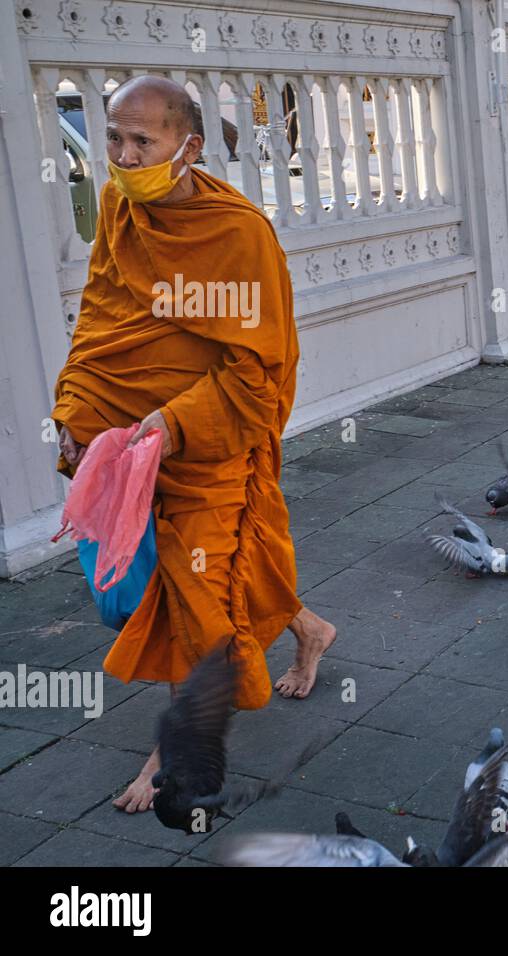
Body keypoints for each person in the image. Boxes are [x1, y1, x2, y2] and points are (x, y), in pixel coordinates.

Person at [51, 75, 336, 814]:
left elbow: (257, 368)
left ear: (190, 147)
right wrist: (76, 408)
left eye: (143, 140)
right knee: (191, 581)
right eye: (114, 136)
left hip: (210, 438)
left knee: (199, 593)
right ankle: (310, 629)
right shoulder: (119, 204)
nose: (123, 153)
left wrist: (176, 424)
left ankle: (168, 759)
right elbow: (103, 312)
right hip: (126, 430)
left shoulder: (238, 231)